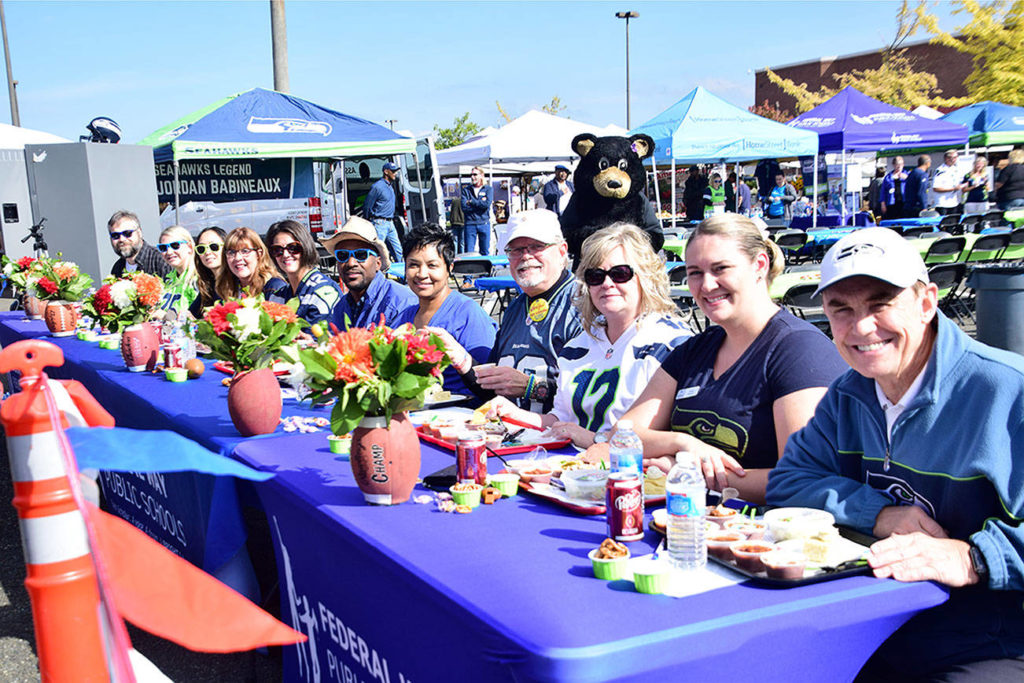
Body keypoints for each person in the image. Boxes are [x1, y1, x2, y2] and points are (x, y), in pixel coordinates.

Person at [766, 226, 1024, 680]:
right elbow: (788, 483)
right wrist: (880, 513)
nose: (862, 327)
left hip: (992, 640)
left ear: (927, 302)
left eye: (880, 303)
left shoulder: (1008, 390)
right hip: (877, 626)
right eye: (841, 309)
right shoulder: (849, 394)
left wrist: (974, 557)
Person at [596, 214, 846, 503]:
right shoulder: (694, 350)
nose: (707, 285)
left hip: (759, 535)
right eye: (695, 273)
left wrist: (687, 472)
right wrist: (685, 444)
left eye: (720, 269)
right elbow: (623, 435)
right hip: (684, 519)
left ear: (759, 266)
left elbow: (802, 478)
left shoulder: (798, 350)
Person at [484, 223, 692, 448]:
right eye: (595, 276)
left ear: (646, 276)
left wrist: (595, 440)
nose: (607, 284)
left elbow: (675, 438)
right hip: (571, 471)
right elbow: (561, 421)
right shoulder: (577, 346)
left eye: (620, 273)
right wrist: (514, 414)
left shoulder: (672, 344)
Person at [438, 209, 582, 413]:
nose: (526, 256)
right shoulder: (515, 307)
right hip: (511, 437)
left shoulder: (583, 304)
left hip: (562, 439)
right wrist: (460, 357)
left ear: (561, 251)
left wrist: (530, 387)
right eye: (516, 250)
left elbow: (590, 397)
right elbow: (491, 390)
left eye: (536, 246)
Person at [392, 222, 496, 401]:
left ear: (450, 268)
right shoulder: (403, 317)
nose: (422, 274)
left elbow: (491, 386)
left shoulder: (469, 314)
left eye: (432, 265)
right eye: (413, 265)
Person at [324, 216, 416, 331]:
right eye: (342, 255)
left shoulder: (401, 303)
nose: (351, 263)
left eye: (361, 255)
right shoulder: (341, 306)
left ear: (378, 263)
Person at [266, 219, 343, 328]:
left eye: (293, 248)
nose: (285, 254)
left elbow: (320, 341)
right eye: (277, 250)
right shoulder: (277, 296)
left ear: (305, 247)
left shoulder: (324, 291)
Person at [215, 227, 289, 301]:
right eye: (231, 252)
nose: (237, 258)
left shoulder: (274, 287)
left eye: (245, 251)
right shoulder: (224, 289)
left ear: (259, 254)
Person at [107, 210, 172, 279]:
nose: (122, 239)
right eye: (115, 235)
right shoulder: (117, 268)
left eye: (127, 233)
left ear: (139, 233)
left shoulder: (160, 260)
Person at [156, 225, 201, 319]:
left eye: (175, 245)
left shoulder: (198, 279)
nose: (169, 252)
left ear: (189, 247)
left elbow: (198, 321)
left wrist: (164, 316)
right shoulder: (169, 279)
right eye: (163, 248)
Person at [363, 161, 403, 263]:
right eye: (393, 171)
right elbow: (367, 206)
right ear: (386, 172)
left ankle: (403, 277)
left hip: (390, 223)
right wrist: (368, 221)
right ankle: (374, 274)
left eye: (396, 171)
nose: (395, 173)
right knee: (377, 251)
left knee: (398, 250)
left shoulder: (390, 186)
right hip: (379, 223)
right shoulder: (377, 187)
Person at [462, 166, 492, 254]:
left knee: (485, 251)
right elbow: (464, 207)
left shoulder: (488, 189)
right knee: (469, 252)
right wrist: (480, 204)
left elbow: (486, 205)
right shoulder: (466, 190)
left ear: (481, 175)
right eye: (471, 175)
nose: (472, 177)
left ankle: (486, 268)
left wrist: (471, 202)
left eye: (475, 174)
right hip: (470, 224)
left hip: (484, 223)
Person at [195, 227, 226, 309]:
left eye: (214, 246)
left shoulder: (238, 283)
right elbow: (191, 313)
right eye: (201, 249)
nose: (207, 252)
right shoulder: (208, 284)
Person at [931, 149, 964, 216]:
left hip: (954, 202)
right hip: (943, 204)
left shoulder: (956, 169)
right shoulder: (940, 170)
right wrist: (953, 189)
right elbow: (936, 188)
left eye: (955, 157)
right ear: (946, 158)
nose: (952, 160)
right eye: (950, 158)